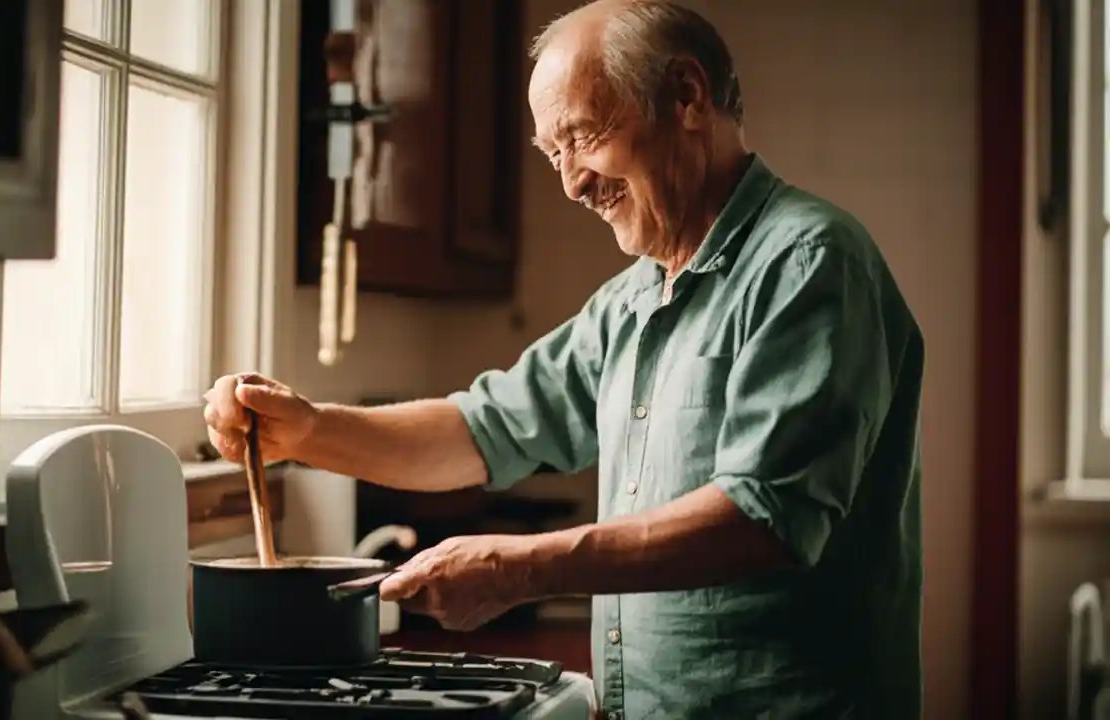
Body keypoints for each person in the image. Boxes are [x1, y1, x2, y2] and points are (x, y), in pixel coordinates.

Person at [204, 0, 924, 717]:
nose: (572, 182)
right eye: (553, 154)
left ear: (686, 96)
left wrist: (520, 568)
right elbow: (481, 431)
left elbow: (764, 518)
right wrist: (307, 430)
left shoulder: (809, 263)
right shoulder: (630, 301)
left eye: (582, 137)